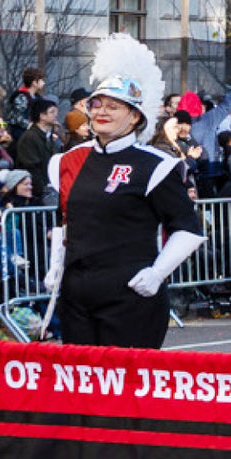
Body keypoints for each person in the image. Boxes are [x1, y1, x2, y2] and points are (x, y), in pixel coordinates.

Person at [45, 33, 204, 348]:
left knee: (126, 393)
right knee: (81, 390)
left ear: (135, 116)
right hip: (77, 299)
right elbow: (64, 222)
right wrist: (55, 268)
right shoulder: (68, 161)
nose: (102, 112)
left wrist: (157, 273)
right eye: (97, 104)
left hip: (131, 297)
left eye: (114, 106)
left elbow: (187, 229)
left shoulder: (157, 165)